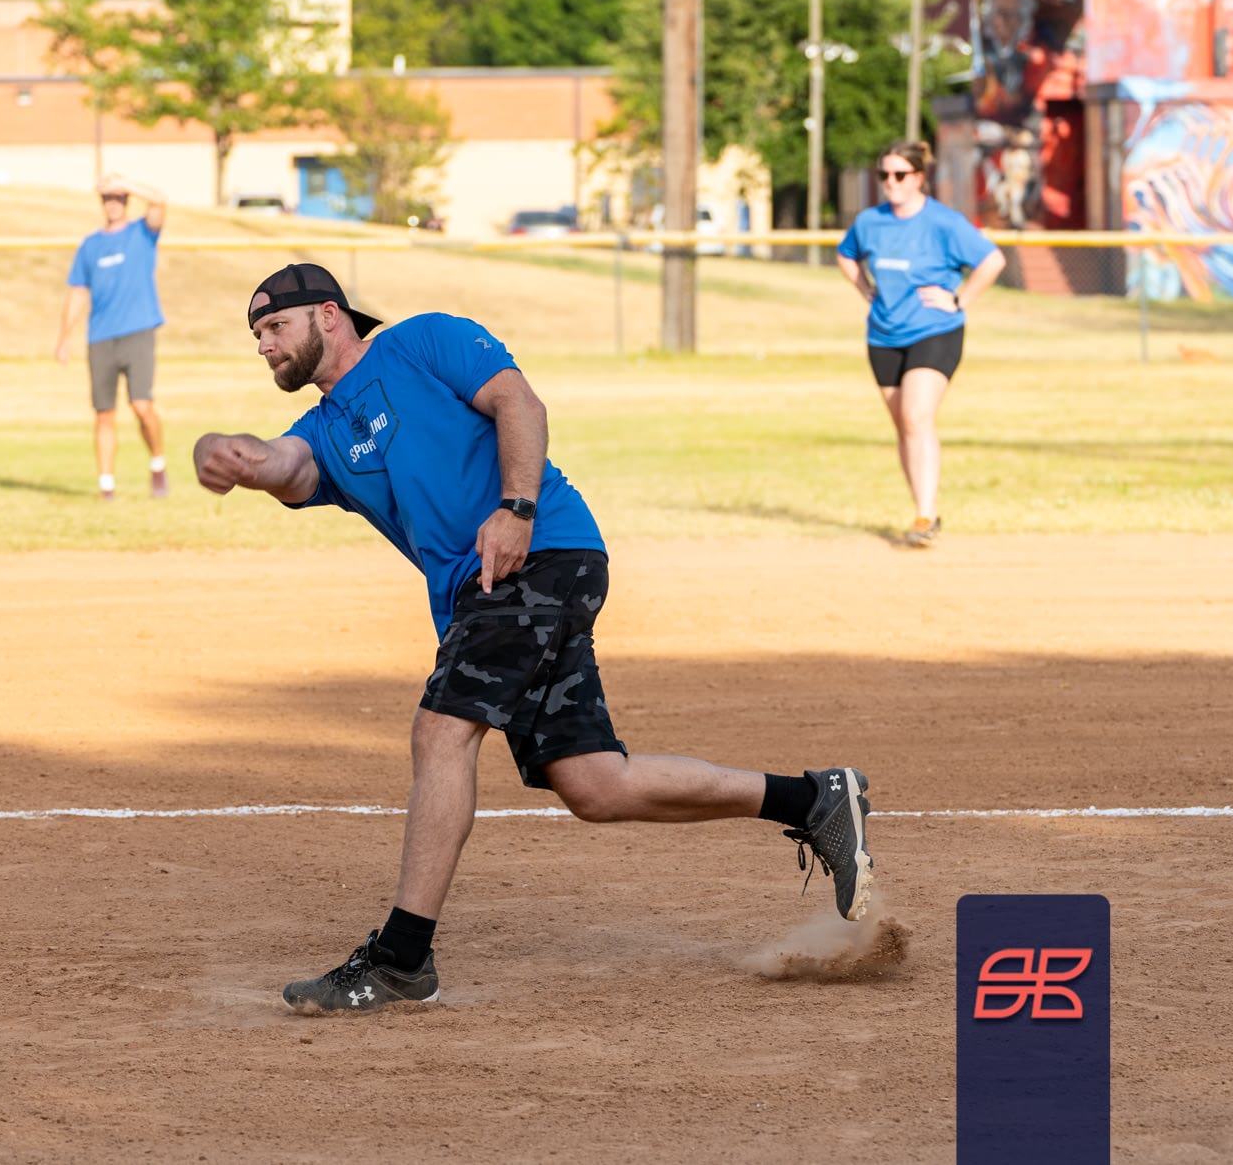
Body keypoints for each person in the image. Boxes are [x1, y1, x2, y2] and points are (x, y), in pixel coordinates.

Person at [192, 263, 876, 1014]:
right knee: (593, 784)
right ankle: (811, 798)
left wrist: (515, 505)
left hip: (540, 553)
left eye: (273, 327)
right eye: (255, 334)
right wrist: (226, 451)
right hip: (488, 592)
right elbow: (280, 464)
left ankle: (400, 957)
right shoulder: (322, 430)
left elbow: (517, 398)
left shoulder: (423, 341)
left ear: (328, 314)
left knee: (440, 732)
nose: (263, 345)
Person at [836, 141, 1007, 547]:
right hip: (883, 334)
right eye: (884, 175)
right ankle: (921, 509)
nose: (890, 183)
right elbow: (846, 256)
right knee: (904, 425)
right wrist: (866, 291)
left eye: (900, 175)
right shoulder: (870, 222)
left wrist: (959, 299)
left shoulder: (944, 223)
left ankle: (925, 515)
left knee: (916, 416)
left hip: (935, 330)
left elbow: (992, 260)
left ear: (919, 178)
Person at [55, 174, 170, 500]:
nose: (113, 203)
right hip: (101, 337)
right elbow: (77, 291)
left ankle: (157, 462)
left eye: (119, 198)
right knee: (104, 413)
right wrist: (64, 337)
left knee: (141, 405)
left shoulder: (141, 233)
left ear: (127, 200)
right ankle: (107, 487)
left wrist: (124, 182)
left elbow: (159, 199)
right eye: (108, 198)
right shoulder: (91, 245)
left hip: (138, 332)